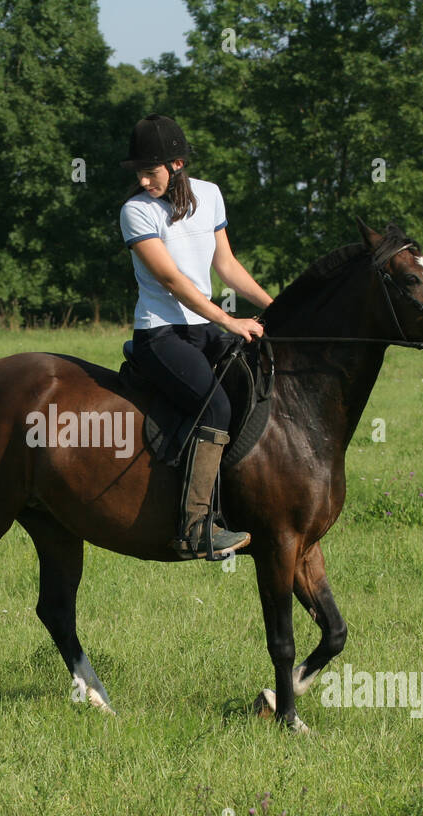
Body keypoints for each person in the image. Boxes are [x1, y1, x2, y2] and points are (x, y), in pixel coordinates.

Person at [119, 114, 272, 559]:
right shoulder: (136, 211)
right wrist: (230, 322)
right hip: (161, 333)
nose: (144, 180)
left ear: (178, 163)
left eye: (151, 170)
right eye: (139, 173)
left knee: (255, 383)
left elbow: (225, 266)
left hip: (204, 329)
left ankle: (243, 503)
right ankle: (195, 527)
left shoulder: (209, 196)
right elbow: (173, 280)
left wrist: (271, 307)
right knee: (217, 405)